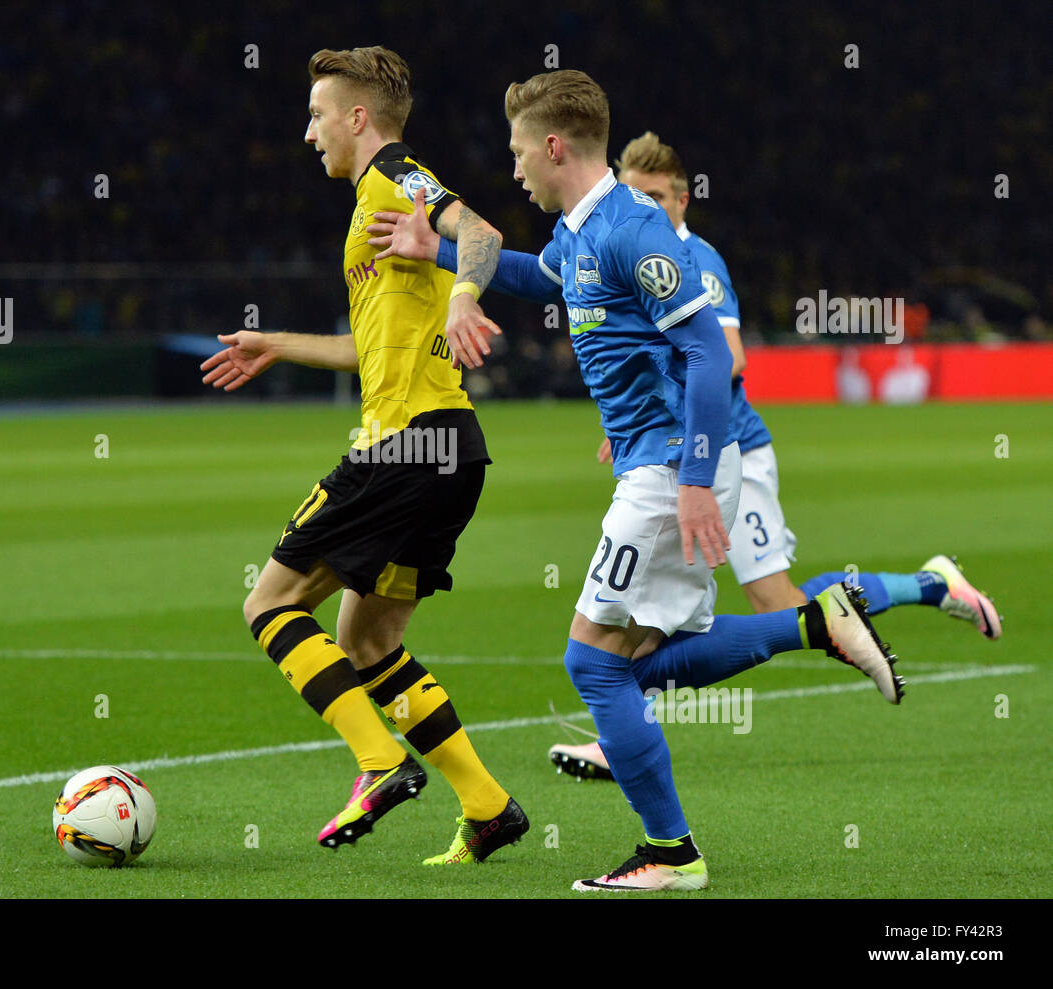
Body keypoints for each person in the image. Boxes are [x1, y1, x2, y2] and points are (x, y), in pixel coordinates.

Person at [368, 69, 903, 891]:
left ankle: (672, 852)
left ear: (554, 148)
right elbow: (542, 279)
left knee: (594, 667)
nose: (512, 171)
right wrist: (435, 250)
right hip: (657, 462)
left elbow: (707, 356)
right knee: (648, 658)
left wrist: (690, 478)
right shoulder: (581, 235)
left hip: (668, 469)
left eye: (517, 153)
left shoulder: (632, 230)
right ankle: (814, 624)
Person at [545, 133, 1001, 781]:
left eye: (654, 193)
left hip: (731, 451)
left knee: (773, 605)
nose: (640, 201)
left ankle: (930, 584)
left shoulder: (694, 261)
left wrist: (665, 407)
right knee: (665, 609)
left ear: (682, 198)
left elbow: (727, 357)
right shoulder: (627, 253)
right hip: (684, 449)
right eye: (631, 189)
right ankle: (624, 727)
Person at [200, 46, 526, 865]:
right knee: (369, 640)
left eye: (316, 116)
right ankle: (487, 806)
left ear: (356, 116)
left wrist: (459, 293)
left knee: (269, 606)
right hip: (453, 451)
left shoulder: (397, 175)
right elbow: (369, 349)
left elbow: (481, 235)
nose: (308, 133)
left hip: (404, 445)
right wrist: (276, 342)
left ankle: (379, 762)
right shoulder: (372, 208)